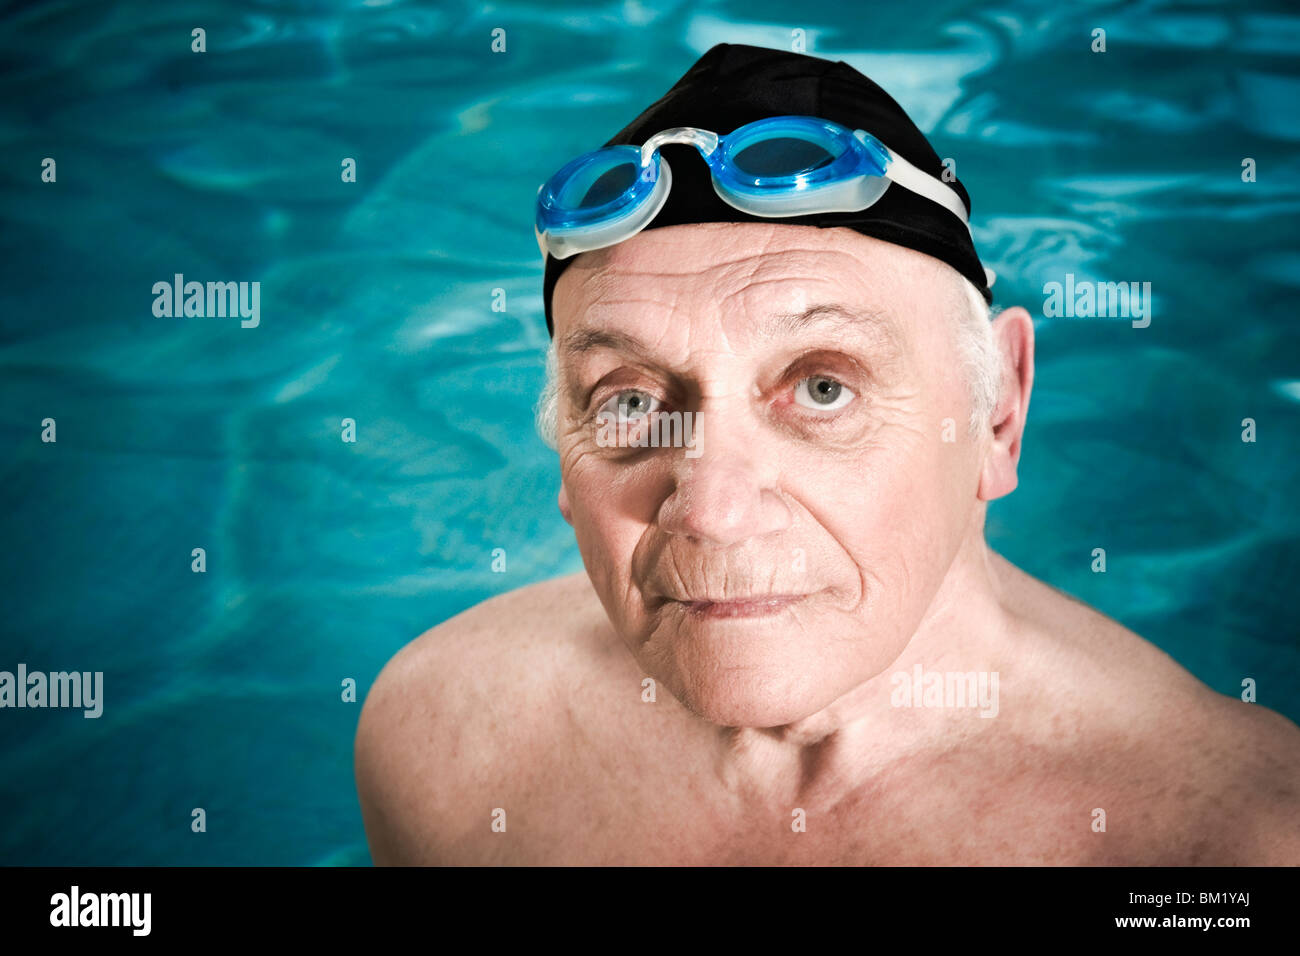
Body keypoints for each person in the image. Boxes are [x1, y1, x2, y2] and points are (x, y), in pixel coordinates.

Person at [355, 43, 1300, 865]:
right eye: (633, 402)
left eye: (822, 386)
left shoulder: (1225, 848)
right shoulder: (440, 735)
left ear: (998, 413)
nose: (711, 508)